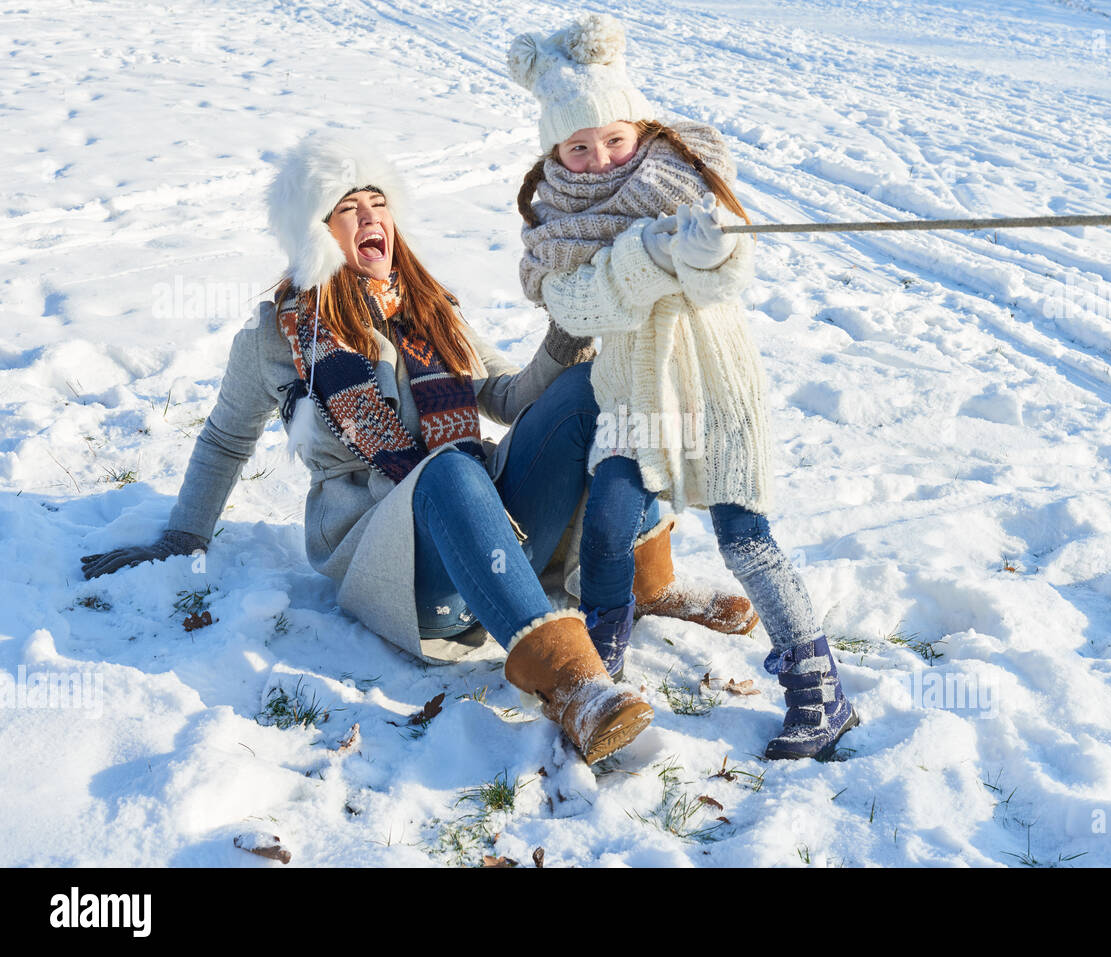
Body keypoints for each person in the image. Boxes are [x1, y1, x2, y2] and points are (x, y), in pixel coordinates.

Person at [79, 132, 655, 765]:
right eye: (348, 208)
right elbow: (223, 441)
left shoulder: (432, 311)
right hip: (409, 574)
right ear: (316, 233)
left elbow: (509, 399)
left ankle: (643, 572)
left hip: (496, 531)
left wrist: (569, 329)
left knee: (582, 390)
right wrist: (181, 538)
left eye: (378, 203)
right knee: (449, 473)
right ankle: (574, 686)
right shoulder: (277, 337)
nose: (371, 218)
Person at [508, 13, 859, 759]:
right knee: (607, 522)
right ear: (556, 152)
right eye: (578, 145)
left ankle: (818, 689)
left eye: (614, 138)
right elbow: (581, 302)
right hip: (632, 399)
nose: (600, 158)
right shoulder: (558, 225)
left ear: (639, 127)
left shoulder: (685, 184)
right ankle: (601, 687)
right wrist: (640, 252)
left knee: (746, 536)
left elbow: (729, 273)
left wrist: (702, 251)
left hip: (714, 391)